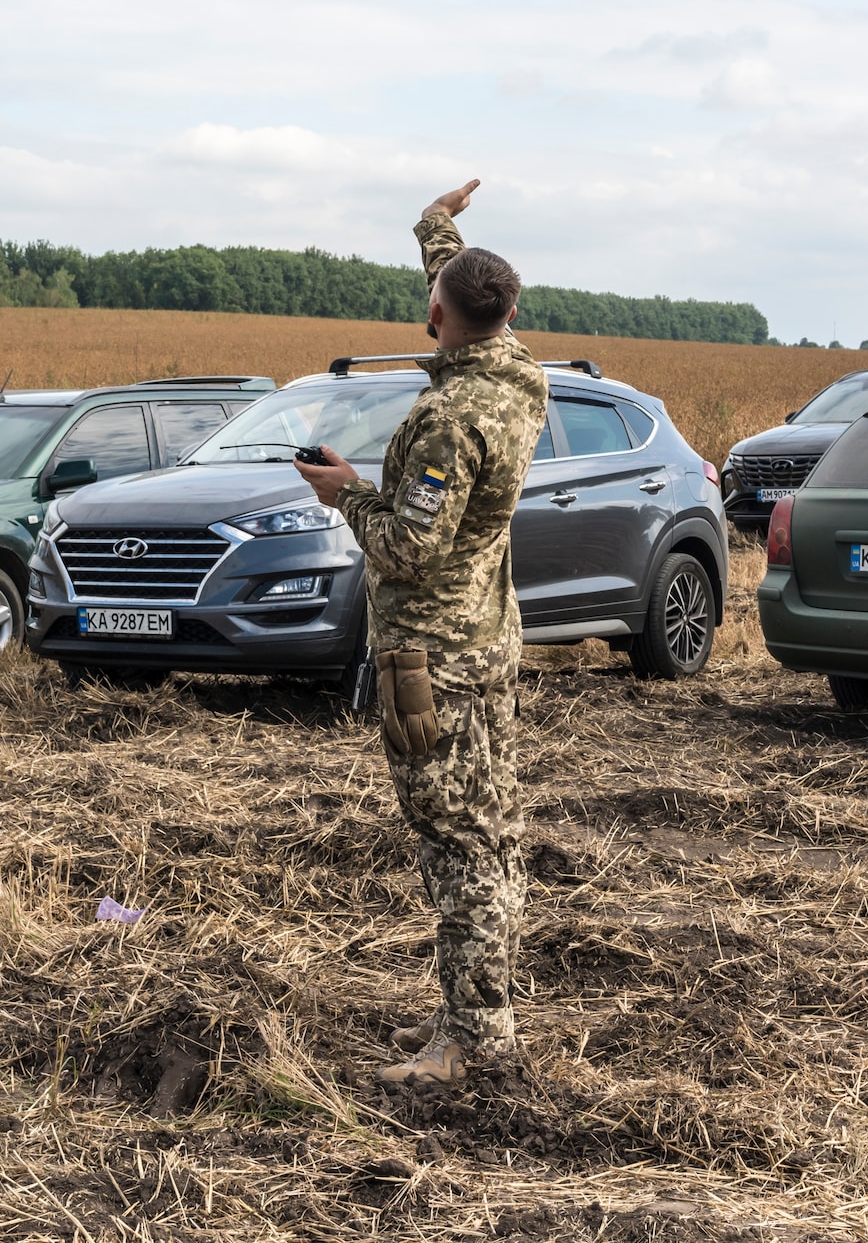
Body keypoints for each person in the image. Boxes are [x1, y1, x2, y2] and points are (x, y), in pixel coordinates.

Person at [293, 178, 549, 1086]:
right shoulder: (519, 379)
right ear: (511, 312)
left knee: (459, 840)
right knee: (491, 828)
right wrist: (437, 227)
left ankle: (474, 1041)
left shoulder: (450, 420)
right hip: (486, 644)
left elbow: (406, 547)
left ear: (437, 315)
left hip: (427, 661)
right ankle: (471, 1012)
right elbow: (470, 292)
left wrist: (347, 492)